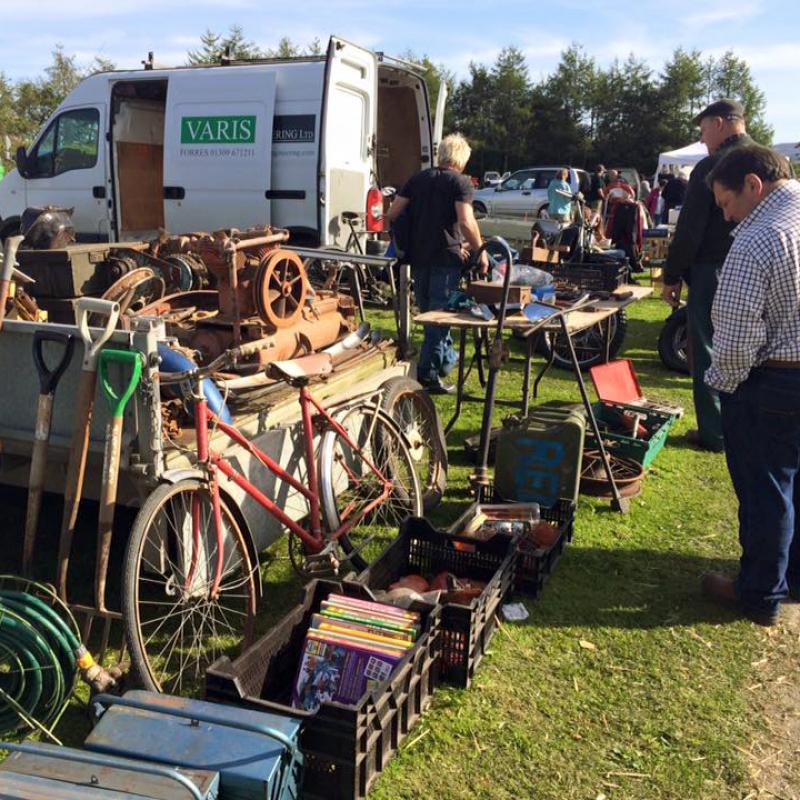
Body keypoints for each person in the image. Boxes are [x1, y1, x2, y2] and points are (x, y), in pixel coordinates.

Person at [700, 144, 800, 626]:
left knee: (767, 491)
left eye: (726, 203)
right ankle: (791, 574)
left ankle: (760, 592)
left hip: (776, 381)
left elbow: (736, 337)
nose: (727, 216)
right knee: (794, 481)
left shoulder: (757, 237)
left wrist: (726, 385)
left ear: (753, 186)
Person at [661, 99, 753, 452]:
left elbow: (689, 231)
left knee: (708, 350)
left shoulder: (712, 166)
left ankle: (715, 431)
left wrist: (671, 276)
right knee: (752, 350)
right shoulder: (772, 161)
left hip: (713, 269)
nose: (703, 141)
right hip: (762, 268)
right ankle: (744, 427)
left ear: (719, 123)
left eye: (703, 132)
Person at [387, 133, 489, 395]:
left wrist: (409, 237)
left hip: (418, 257)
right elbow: (466, 221)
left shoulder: (418, 179)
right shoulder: (460, 182)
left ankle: (441, 363)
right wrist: (481, 251)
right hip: (446, 260)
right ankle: (429, 375)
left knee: (429, 316)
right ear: (462, 159)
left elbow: (393, 213)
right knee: (439, 318)